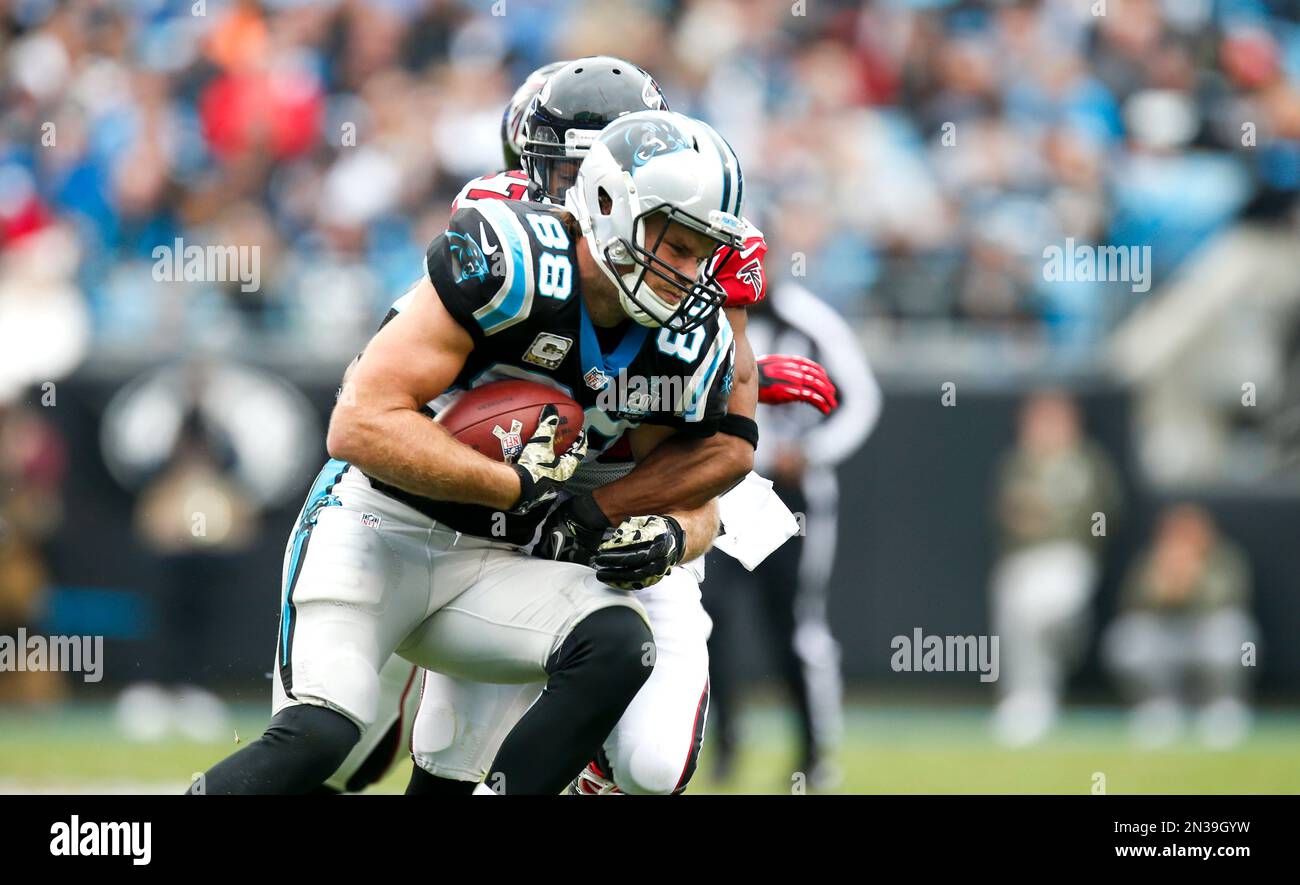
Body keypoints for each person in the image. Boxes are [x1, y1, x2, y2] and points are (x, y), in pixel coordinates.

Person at [192, 108, 750, 795]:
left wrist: (670, 533)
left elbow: (694, 489)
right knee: (324, 739)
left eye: (704, 252)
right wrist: (513, 486)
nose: (690, 271)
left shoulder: (682, 341)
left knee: (615, 643)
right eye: (678, 243)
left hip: (501, 559)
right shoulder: (513, 261)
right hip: (380, 528)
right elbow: (358, 424)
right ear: (609, 207)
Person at [703, 281, 880, 789]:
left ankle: (814, 754)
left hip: (789, 496)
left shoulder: (809, 318)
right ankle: (724, 738)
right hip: (731, 489)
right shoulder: (708, 314)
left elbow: (862, 396)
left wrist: (813, 450)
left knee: (796, 627)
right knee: (707, 614)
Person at [990, 391, 1122, 747]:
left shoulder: (1089, 463)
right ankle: (1027, 696)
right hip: (1024, 560)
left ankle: (1055, 670)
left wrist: (1056, 521)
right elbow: (1009, 512)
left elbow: (1104, 516)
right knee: (1017, 605)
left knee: (1052, 611)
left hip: (1069, 557)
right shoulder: (1019, 462)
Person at [1103, 504, 1257, 748]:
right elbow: (1130, 602)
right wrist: (1162, 589)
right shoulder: (1151, 559)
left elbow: (1232, 598)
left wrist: (1193, 584)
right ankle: (1156, 708)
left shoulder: (1224, 559)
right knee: (1128, 635)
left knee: (1234, 631)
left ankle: (1222, 707)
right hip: (1166, 640)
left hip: (1204, 636)